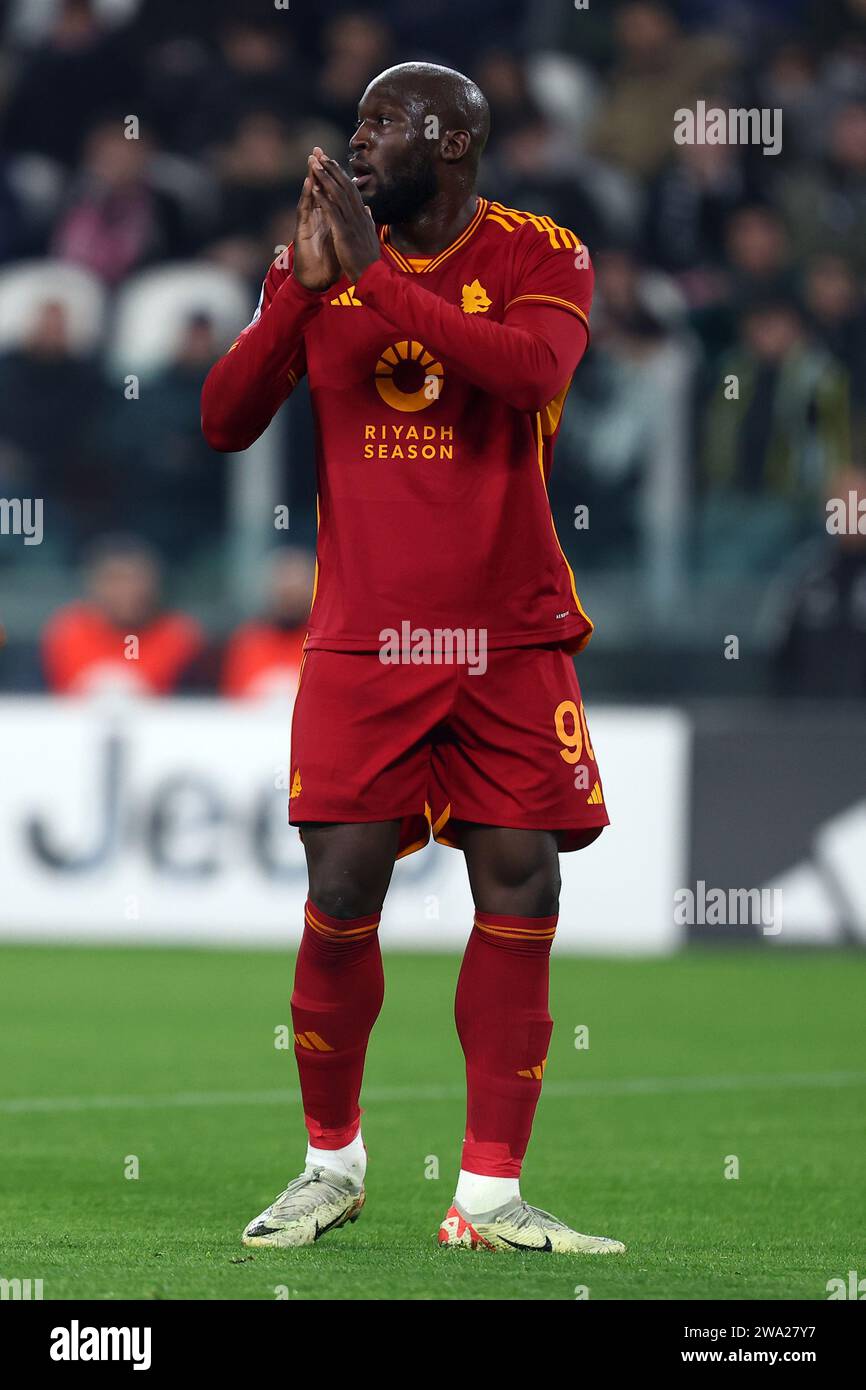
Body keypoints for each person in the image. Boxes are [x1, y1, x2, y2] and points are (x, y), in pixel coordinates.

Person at [202, 62, 624, 1257]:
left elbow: (529, 374)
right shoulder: (318, 266)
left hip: (508, 637)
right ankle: (329, 1165)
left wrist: (375, 284)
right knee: (340, 892)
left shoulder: (543, 253)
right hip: (365, 639)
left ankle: (488, 1195)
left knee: (523, 883)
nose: (356, 143)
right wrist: (296, 292)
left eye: (380, 124)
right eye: (356, 122)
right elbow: (224, 418)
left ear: (449, 139)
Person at [42, 535, 204, 695]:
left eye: (137, 579)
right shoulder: (66, 634)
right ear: (95, 584)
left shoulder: (179, 637)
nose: (127, 590)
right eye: (115, 579)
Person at [220, 548, 314, 699]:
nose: (290, 599)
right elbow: (230, 702)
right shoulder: (247, 643)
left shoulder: (321, 645)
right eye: (285, 593)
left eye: (296, 591)